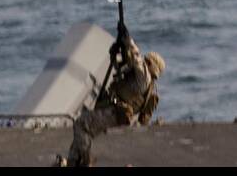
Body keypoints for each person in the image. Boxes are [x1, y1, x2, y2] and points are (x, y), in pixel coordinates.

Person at [63, 26, 165, 168]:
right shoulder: (146, 83)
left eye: (146, 60)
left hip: (115, 112)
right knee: (84, 134)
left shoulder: (144, 78)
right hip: (116, 112)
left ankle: (86, 162)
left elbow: (136, 58)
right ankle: (73, 162)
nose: (143, 60)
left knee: (81, 123)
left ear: (150, 64)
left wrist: (127, 38)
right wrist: (119, 50)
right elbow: (124, 66)